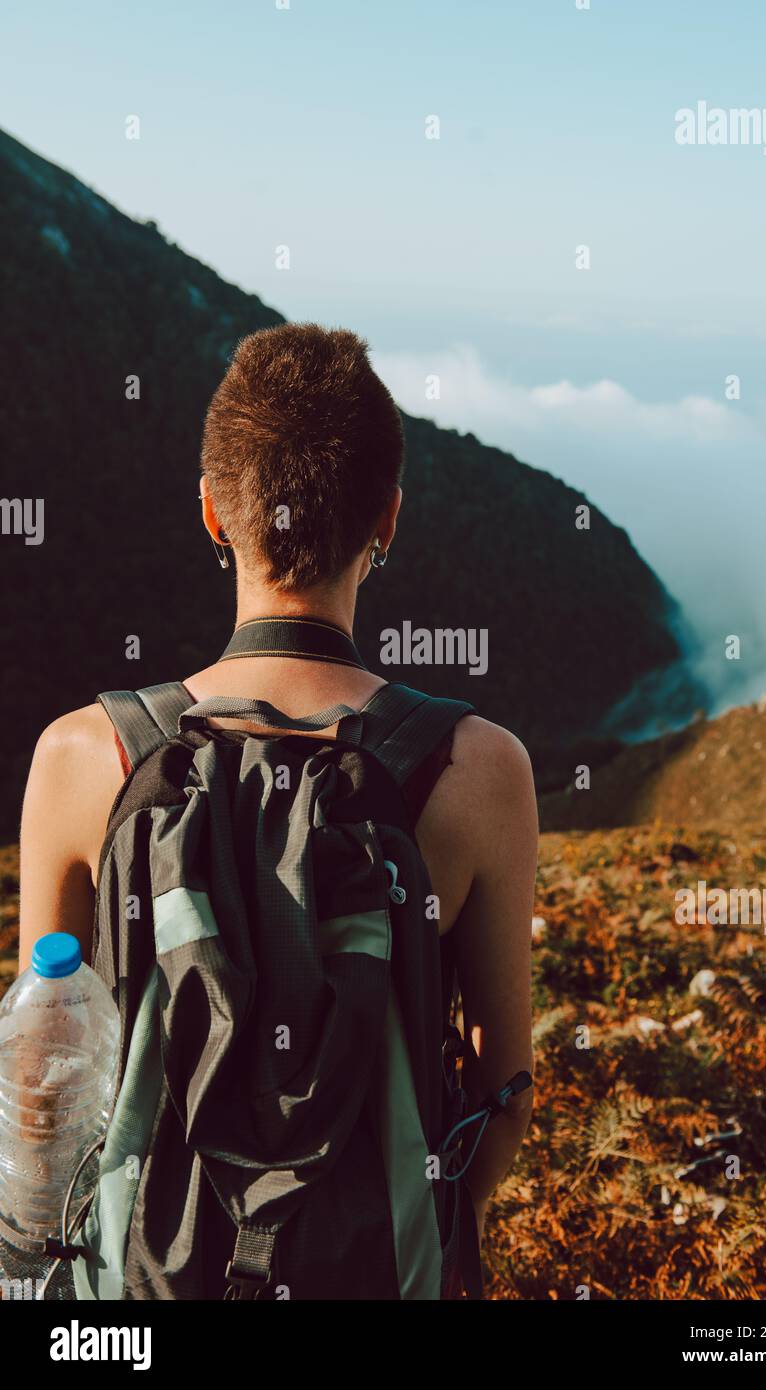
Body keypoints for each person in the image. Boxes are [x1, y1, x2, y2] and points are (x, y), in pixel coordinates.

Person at [17, 322, 537, 1261]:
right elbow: (505, 1097)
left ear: (214, 514)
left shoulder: (82, 758)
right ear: (388, 519)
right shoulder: (478, 769)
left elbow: (42, 1087)